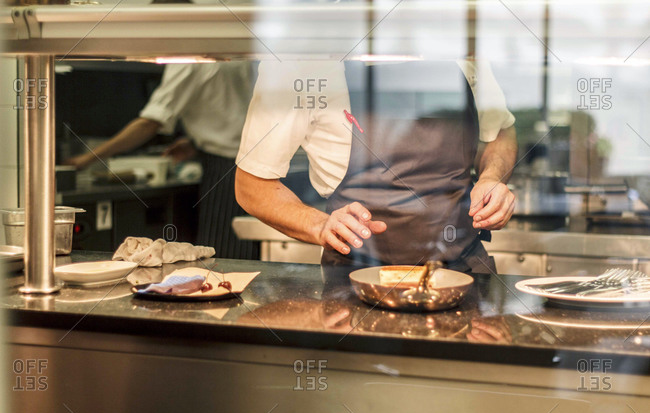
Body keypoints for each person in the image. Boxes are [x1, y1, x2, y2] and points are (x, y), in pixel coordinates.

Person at [234, 60, 516, 273]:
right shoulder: (303, 63)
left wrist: (491, 177)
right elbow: (251, 185)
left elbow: (501, 132)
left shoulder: (459, 48)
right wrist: (320, 225)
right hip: (357, 279)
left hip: (464, 270)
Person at [65, 62, 259, 259]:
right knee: (241, 256)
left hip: (226, 170)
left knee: (223, 259)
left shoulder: (189, 60)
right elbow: (230, 114)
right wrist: (195, 144)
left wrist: (86, 158)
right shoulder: (226, 50)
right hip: (249, 163)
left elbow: (150, 123)